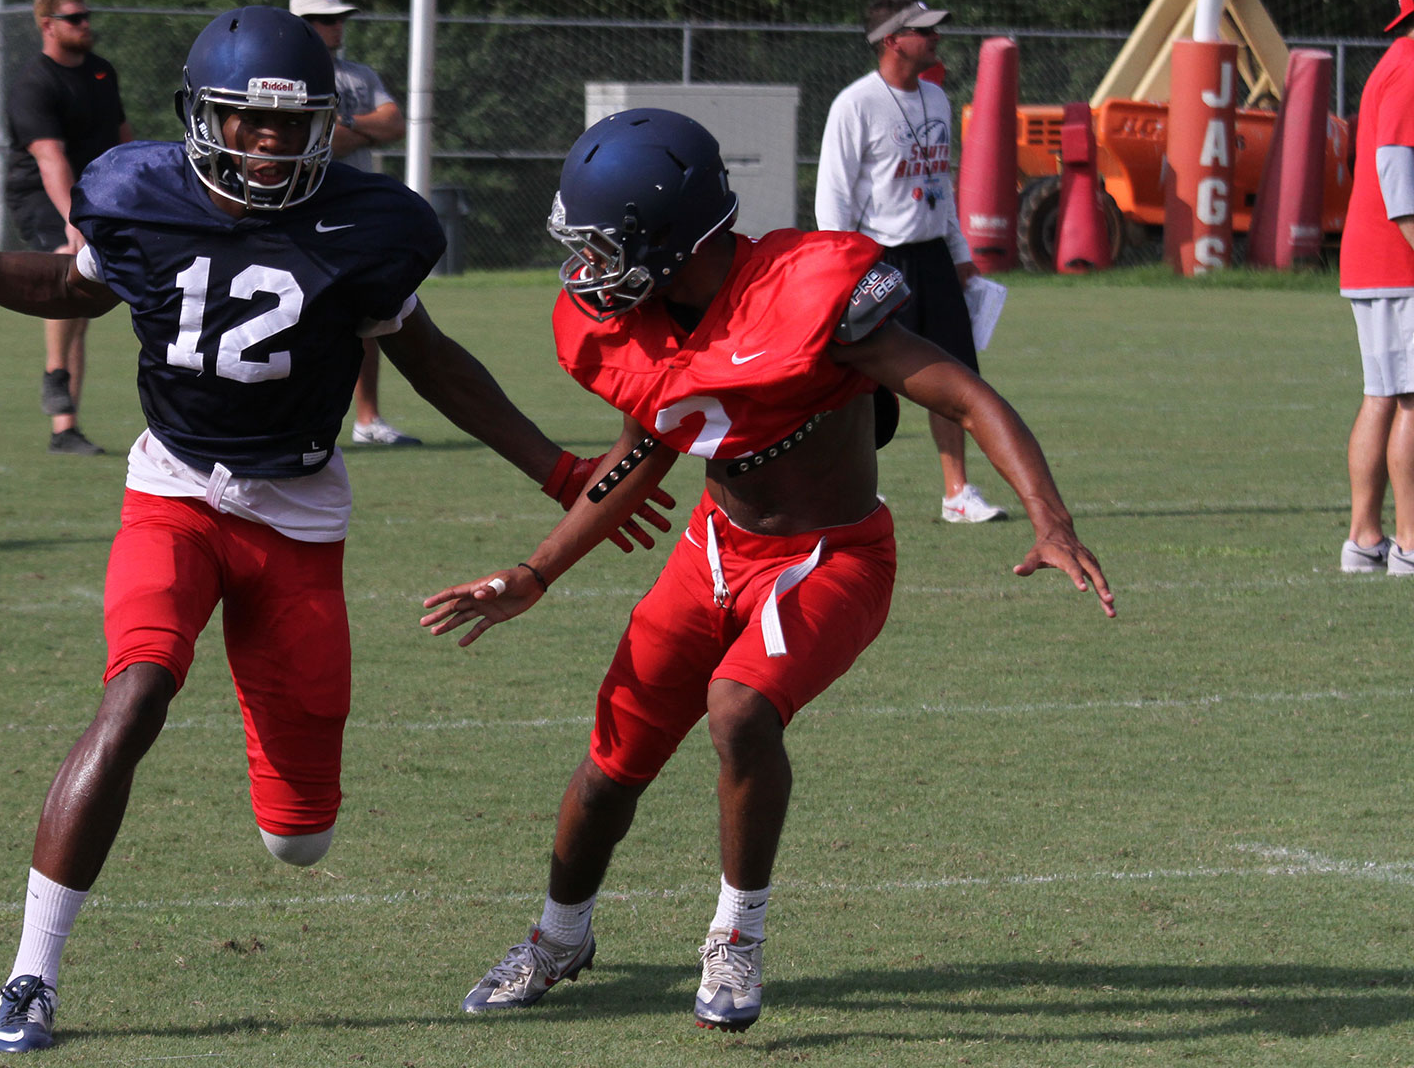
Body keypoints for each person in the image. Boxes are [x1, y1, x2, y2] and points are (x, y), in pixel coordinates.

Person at [0, 6, 672, 1053]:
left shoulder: (376, 224)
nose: (274, 145)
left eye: (296, 126)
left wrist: (557, 469)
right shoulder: (133, 191)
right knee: (136, 690)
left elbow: (432, 359)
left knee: (301, 839)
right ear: (205, 117)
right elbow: (71, 286)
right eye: (250, 124)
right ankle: (28, 978)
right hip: (176, 494)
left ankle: (263, 714)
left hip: (298, 521)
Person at [423, 110, 1114, 1033]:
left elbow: (966, 391)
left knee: (739, 708)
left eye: (604, 245)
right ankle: (557, 939)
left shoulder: (809, 290)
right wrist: (534, 573)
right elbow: (644, 450)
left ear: (669, 240)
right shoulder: (636, 320)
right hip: (712, 549)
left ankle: (737, 938)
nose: (586, 269)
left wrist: (1050, 518)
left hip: (830, 556)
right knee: (608, 769)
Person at [816, 0, 1006, 524]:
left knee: (954, 373)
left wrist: (960, 252)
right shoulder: (855, 104)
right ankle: (852, 488)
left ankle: (957, 494)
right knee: (862, 381)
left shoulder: (938, 99)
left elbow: (939, 185)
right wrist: (838, 268)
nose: (935, 38)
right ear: (891, 40)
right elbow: (834, 195)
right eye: (923, 31)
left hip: (933, 257)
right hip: (879, 259)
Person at [287, 0, 418, 446]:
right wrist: (357, 129)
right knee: (298, 317)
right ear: (301, 23)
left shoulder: (359, 74)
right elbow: (318, 139)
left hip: (353, 211)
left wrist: (348, 125)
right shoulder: (289, 71)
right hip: (302, 209)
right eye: (325, 20)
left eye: (339, 18)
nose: (336, 26)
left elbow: (394, 124)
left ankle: (368, 420)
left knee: (368, 315)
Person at [5, 0, 132, 455]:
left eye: (86, 16)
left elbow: (122, 137)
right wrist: (71, 219)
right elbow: (49, 158)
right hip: (40, 193)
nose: (84, 24)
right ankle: (56, 373)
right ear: (47, 25)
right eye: (73, 18)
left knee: (87, 295)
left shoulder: (102, 72)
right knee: (68, 265)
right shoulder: (34, 84)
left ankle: (64, 431)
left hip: (93, 190)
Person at [1336, 0, 1414, 575]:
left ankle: (1365, 542)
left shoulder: (1395, 60)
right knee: (1410, 398)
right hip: (1398, 260)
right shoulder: (1412, 66)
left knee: (1383, 394)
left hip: (1374, 260)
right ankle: (1411, 547)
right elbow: (1396, 171)